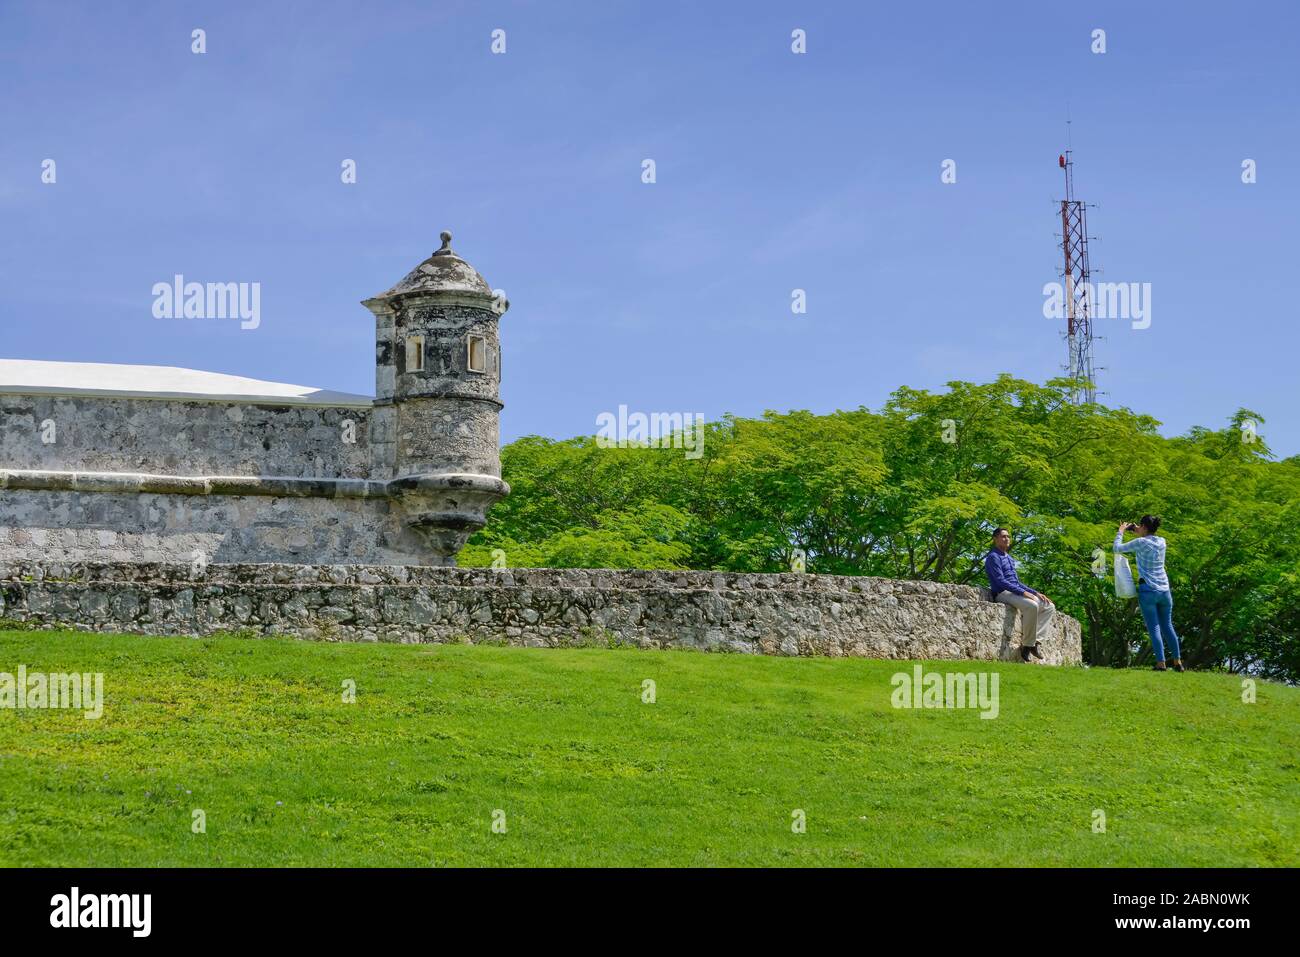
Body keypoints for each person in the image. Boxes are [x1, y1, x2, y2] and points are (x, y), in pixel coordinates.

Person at [1115, 515, 1184, 672]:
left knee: (1154, 627)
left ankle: (1161, 664)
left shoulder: (1140, 542)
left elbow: (1117, 548)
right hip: (1165, 591)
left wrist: (1121, 532)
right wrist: (1138, 530)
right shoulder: (1162, 542)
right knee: (1168, 626)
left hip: (1148, 590)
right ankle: (1178, 662)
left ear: (1145, 527)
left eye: (1140, 525)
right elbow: (1148, 540)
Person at [984, 528, 1055, 662]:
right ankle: (1027, 647)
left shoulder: (1009, 558)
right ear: (995, 539)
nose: (1006, 539)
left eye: (1008, 536)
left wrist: (1035, 593)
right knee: (1032, 606)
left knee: (1049, 606)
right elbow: (1001, 582)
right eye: (1003, 536)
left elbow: (1016, 582)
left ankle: (1036, 643)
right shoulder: (993, 557)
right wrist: (1023, 593)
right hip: (1002, 593)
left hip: (1015, 592)